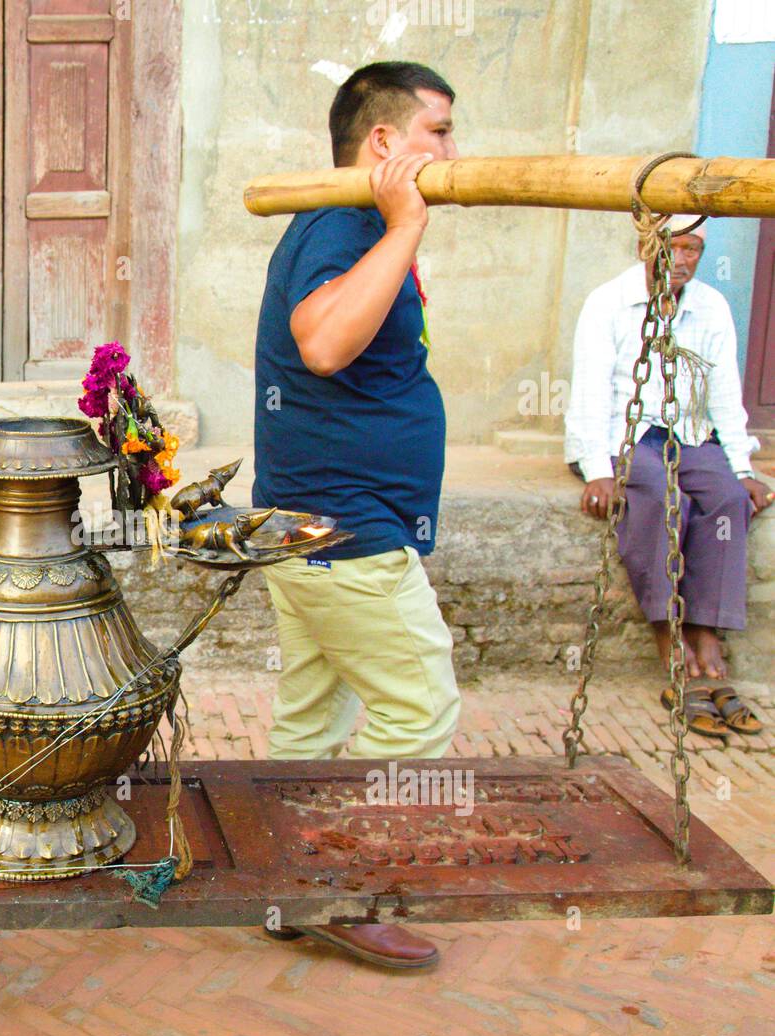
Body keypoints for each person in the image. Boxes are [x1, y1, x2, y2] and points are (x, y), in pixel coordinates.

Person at [252, 61, 461, 969]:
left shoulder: (352, 224)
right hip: (344, 536)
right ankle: (341, 884)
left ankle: (281, 883)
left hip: (320, 533)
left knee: (312, 721)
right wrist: (407, 220)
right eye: (440, 131)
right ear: (385, 145)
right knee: (421, 711)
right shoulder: (346, 221)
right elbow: (326, 343)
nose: (456, 151)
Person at [565, 218, 772, 738]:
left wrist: (741, 466)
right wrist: (598, 469)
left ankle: (706, 632)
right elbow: (591, 388)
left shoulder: (712, 307)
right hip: (624, 437)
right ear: (645, 247)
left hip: (690, 434)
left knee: (726, 500)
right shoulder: (608, 302)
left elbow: (724, 390)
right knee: (659, 495)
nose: (682, 259)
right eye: (673, 247)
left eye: (693, 249)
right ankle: (668, 632)